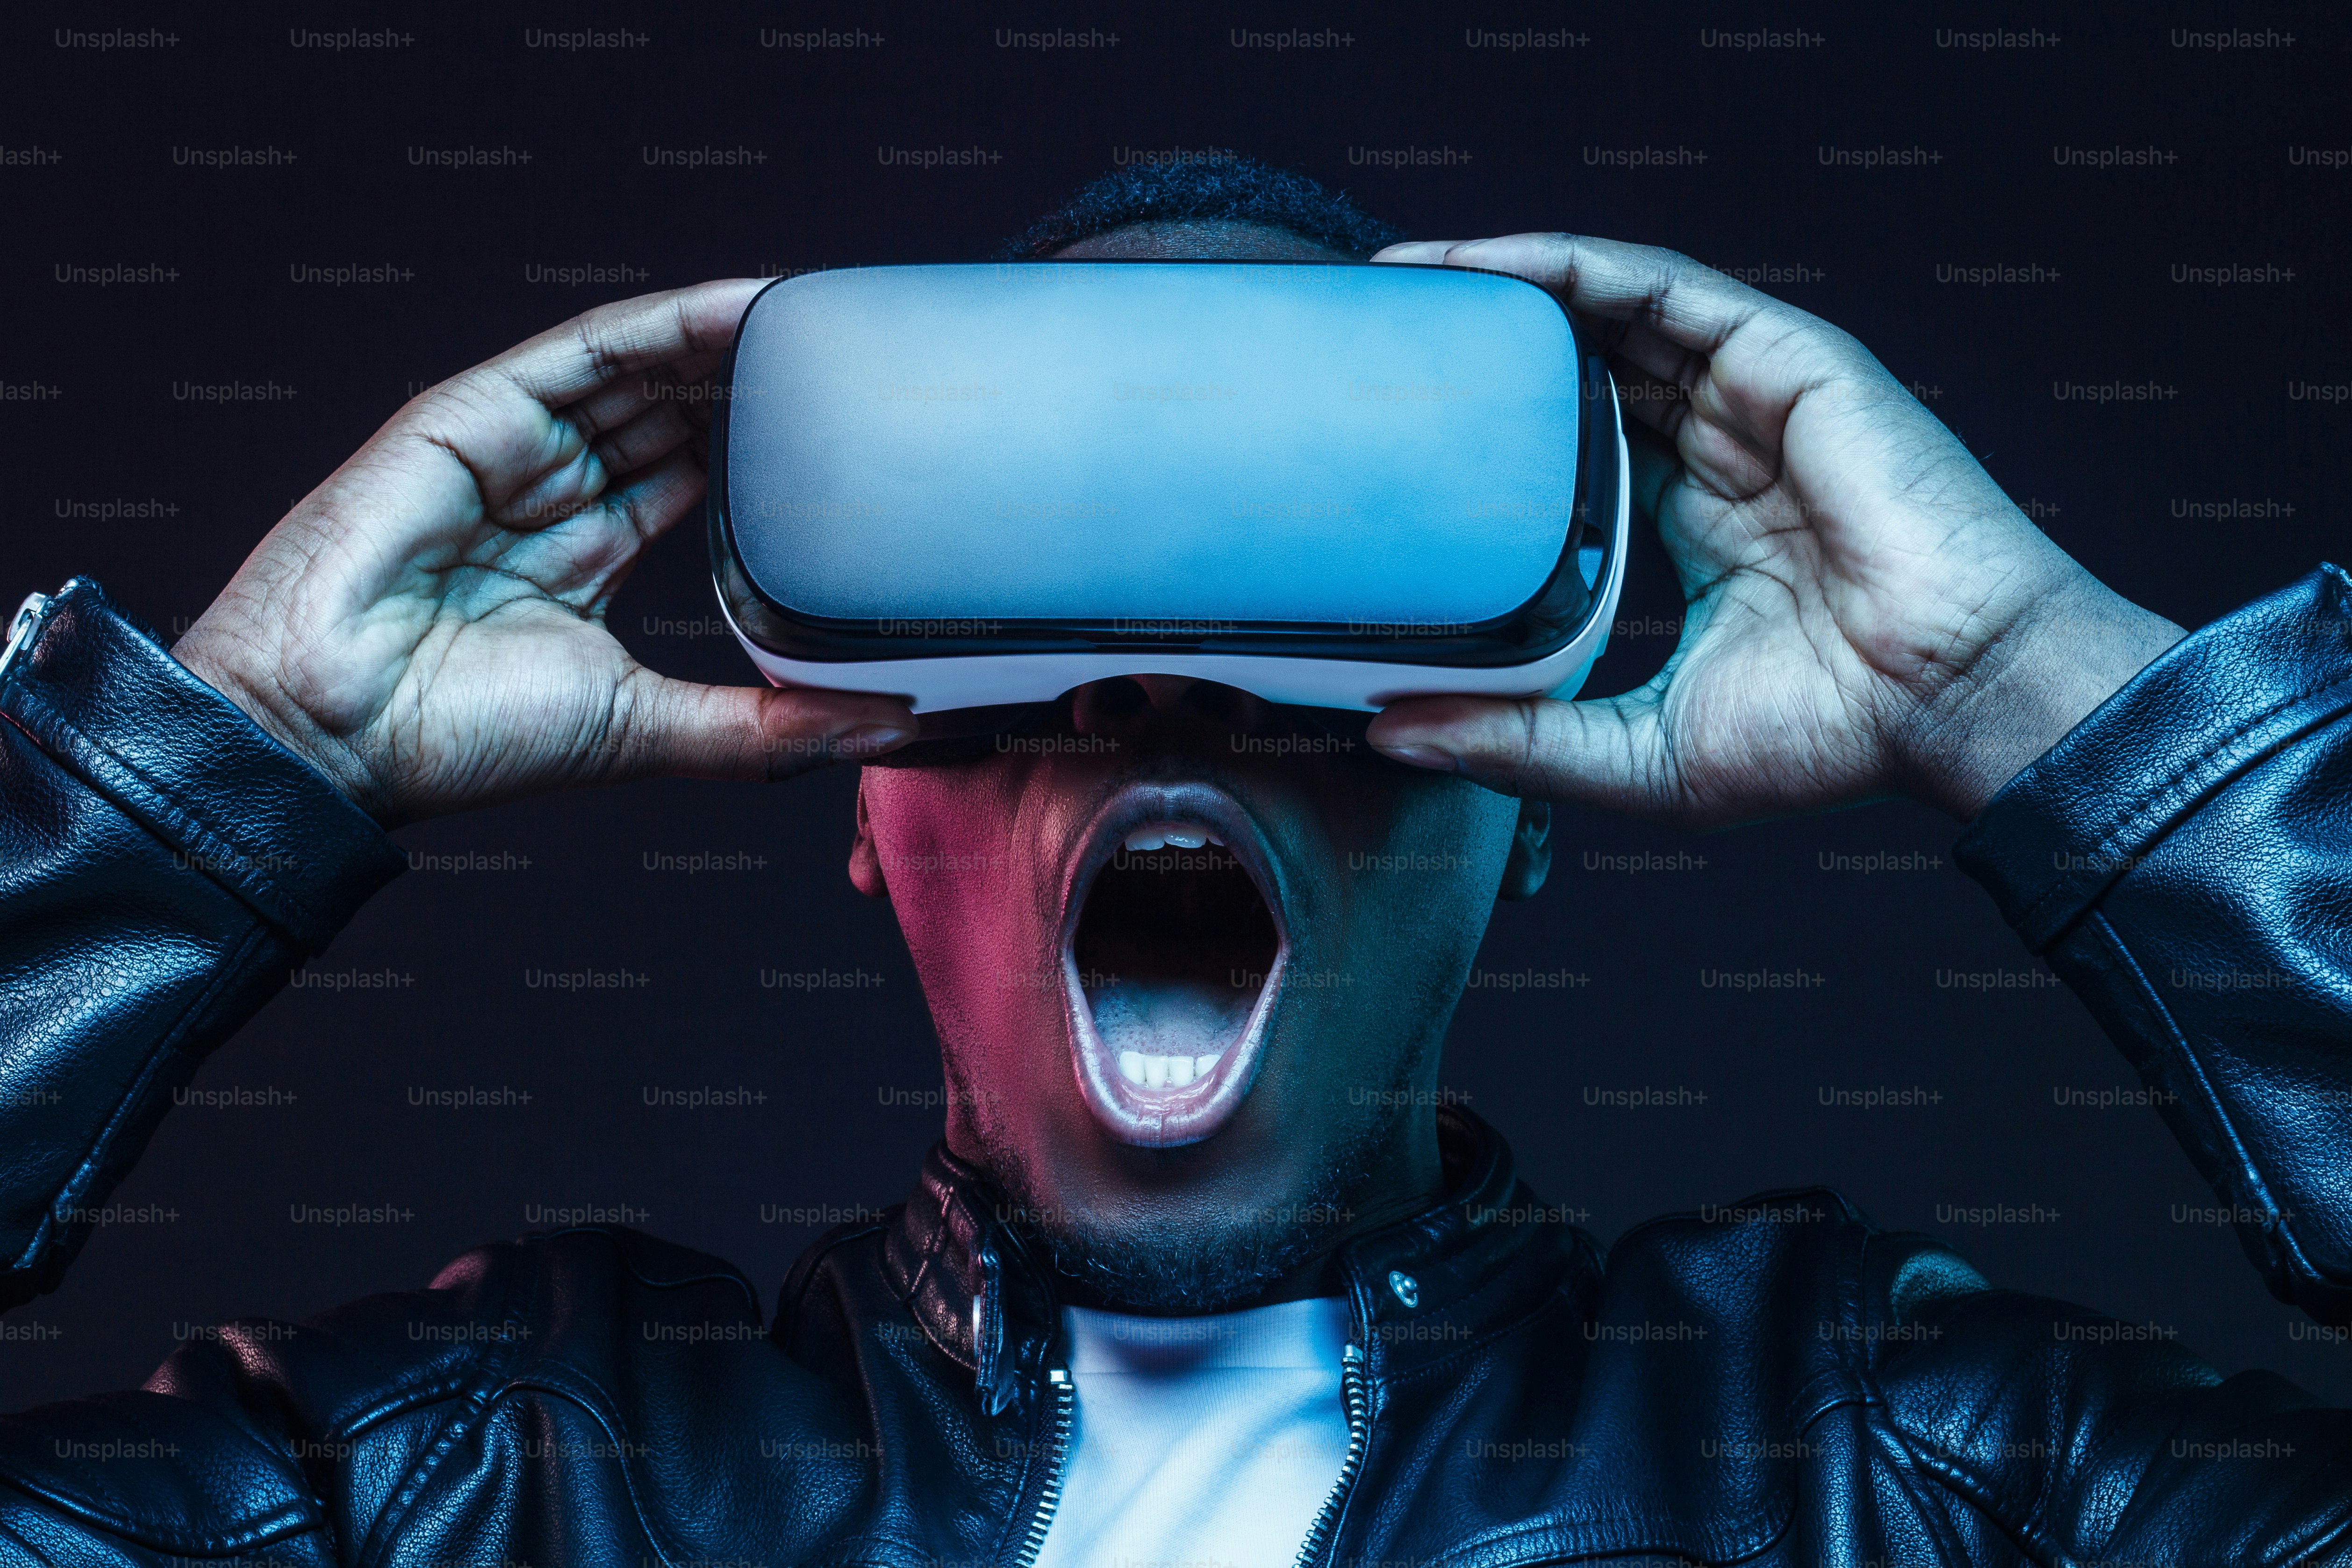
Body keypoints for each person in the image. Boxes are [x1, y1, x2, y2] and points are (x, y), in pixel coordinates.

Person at [1, 159, 2346, 1568]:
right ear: (869, 814)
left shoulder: (1889, 1456)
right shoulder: (492, 1465)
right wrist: (227, 760)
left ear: (1524, 809)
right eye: (1024, 629)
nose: (1160, 697)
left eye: (1313, 618)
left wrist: (2046, 688)